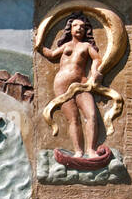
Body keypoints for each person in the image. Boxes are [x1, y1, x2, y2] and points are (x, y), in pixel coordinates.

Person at [37, 12, 104, 159]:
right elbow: (51, 55)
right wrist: (39, 44)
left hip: (81, 83)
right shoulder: (65, 46)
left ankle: (91, 150)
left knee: (91, 115)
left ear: (86, 30)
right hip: (61, 83)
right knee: (73, 119)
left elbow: (97, 59)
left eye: (82, 26)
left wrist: (94, 72)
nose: (79, 28)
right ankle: (78, 151)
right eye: (75, 25)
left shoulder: (86, 46)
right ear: (70, 29)